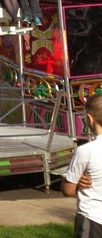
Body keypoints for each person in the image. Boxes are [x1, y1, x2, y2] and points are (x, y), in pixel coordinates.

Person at [62, 93, 102, 237]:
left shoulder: (85, 151)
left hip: (91, 218)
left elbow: (68, 189)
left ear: (90, 119)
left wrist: (77, 182)